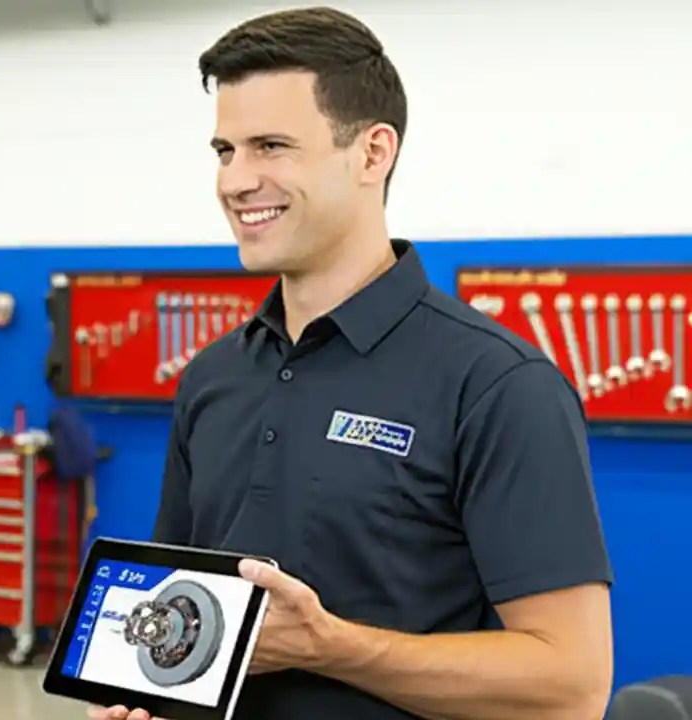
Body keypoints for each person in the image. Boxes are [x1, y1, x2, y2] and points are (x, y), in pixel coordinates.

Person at [90, 7, 613, 720]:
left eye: (271, 146)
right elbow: (176, 618)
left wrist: (330, 645)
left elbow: (571, 685)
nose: (236, 181)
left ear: (373, 154)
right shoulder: (212, 377)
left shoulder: (496, 385)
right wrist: (135, 691)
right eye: (224, 150)